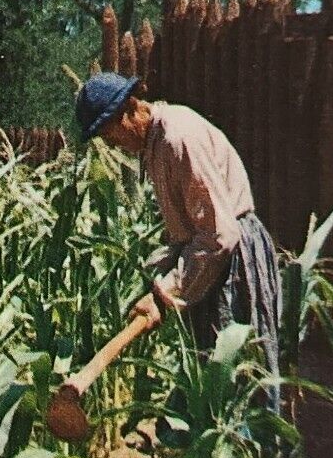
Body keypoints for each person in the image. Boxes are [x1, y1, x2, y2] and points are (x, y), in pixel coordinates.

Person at [75, 72, 283, 412]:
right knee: (215, 374)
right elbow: (187, 229)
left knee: (242, 369)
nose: (113, 146)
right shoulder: (154, 143)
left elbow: (218, 234)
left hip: (233, 257)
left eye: (110, 134)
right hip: (210, 256)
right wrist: (159, 282)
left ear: (129, 110)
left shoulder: (177, 138)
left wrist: (165, 290)